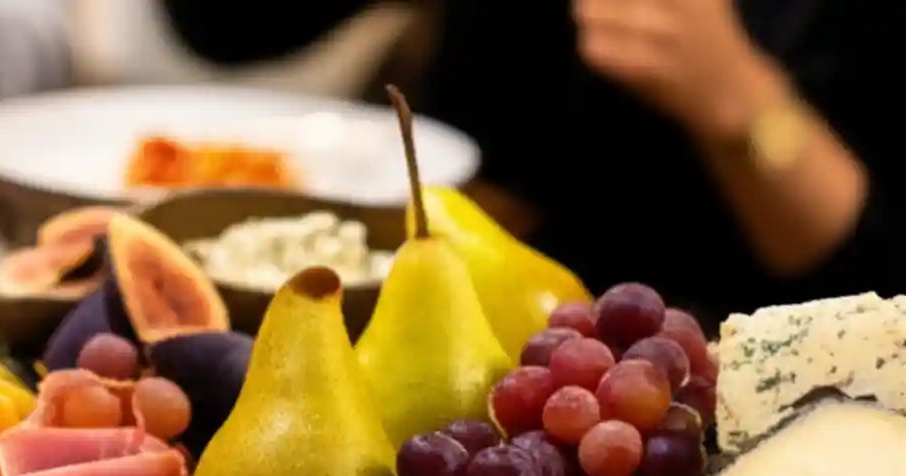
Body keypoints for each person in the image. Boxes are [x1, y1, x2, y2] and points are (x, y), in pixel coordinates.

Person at [162, 0, 904, 323]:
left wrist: (741, 102)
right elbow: (223, 26)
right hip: (448, 304)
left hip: (726, 376)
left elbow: (872, 282)